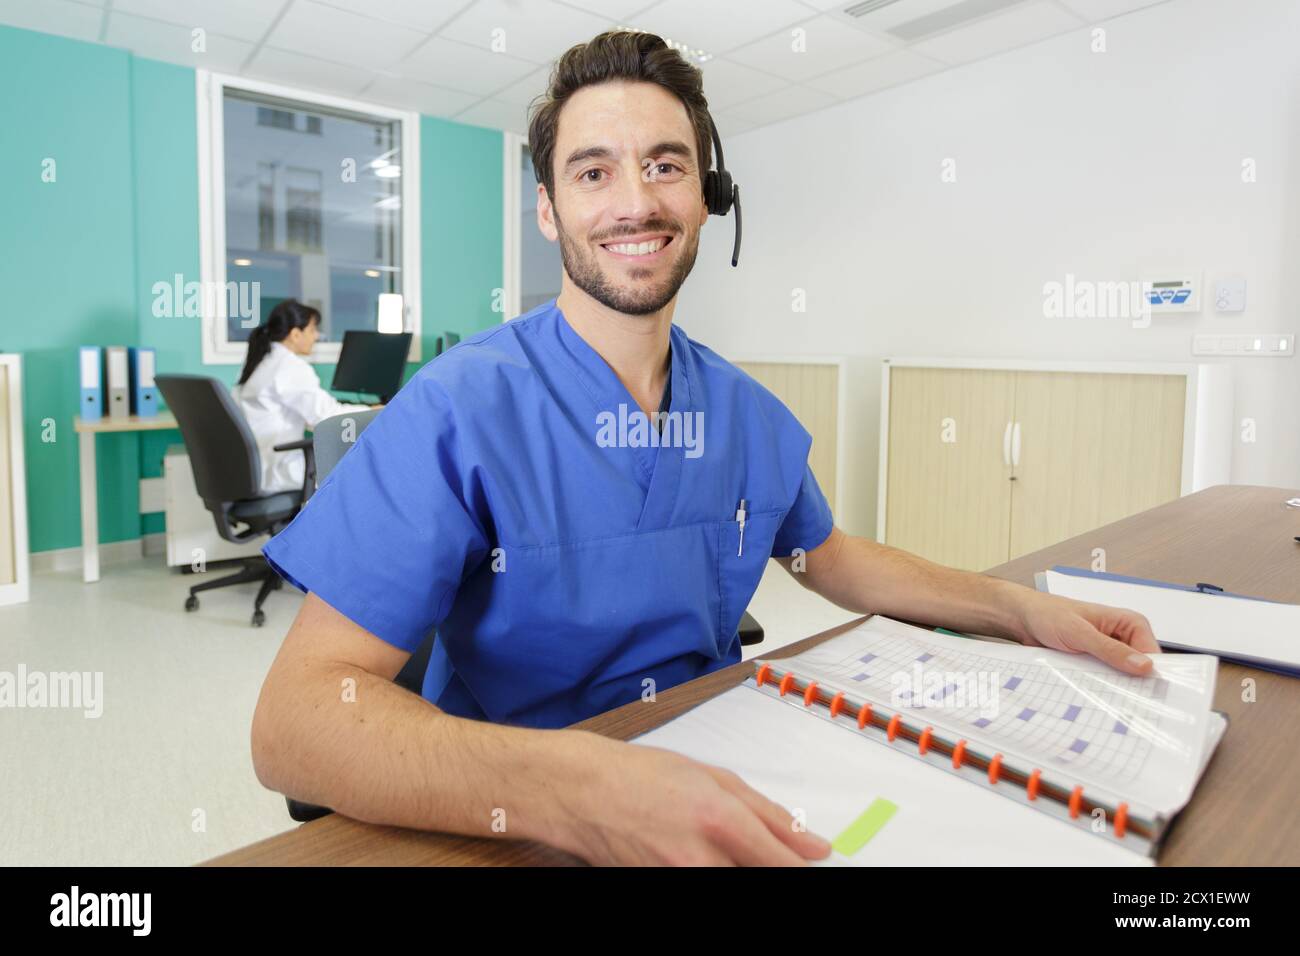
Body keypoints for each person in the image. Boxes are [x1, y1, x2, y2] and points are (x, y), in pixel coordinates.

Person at [250, 31, 1160, 866]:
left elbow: (832, 557)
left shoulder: (741, 409)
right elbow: (295, 723)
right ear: (547, 209)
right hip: (514, 817)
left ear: (708, 197)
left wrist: (1016, 609)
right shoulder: (457, 409)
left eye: (665, 165)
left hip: (718, 769)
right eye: (594, 172)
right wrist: (579, 790)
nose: (637, 201)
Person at [232, 299, 374, 495]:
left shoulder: (258, 362)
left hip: (252, 470)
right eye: (313, 330)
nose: (316, 336)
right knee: (362, 467)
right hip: (281, 470)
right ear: (295, 334)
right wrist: (373, 411)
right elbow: (328, 419)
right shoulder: (290, 367)